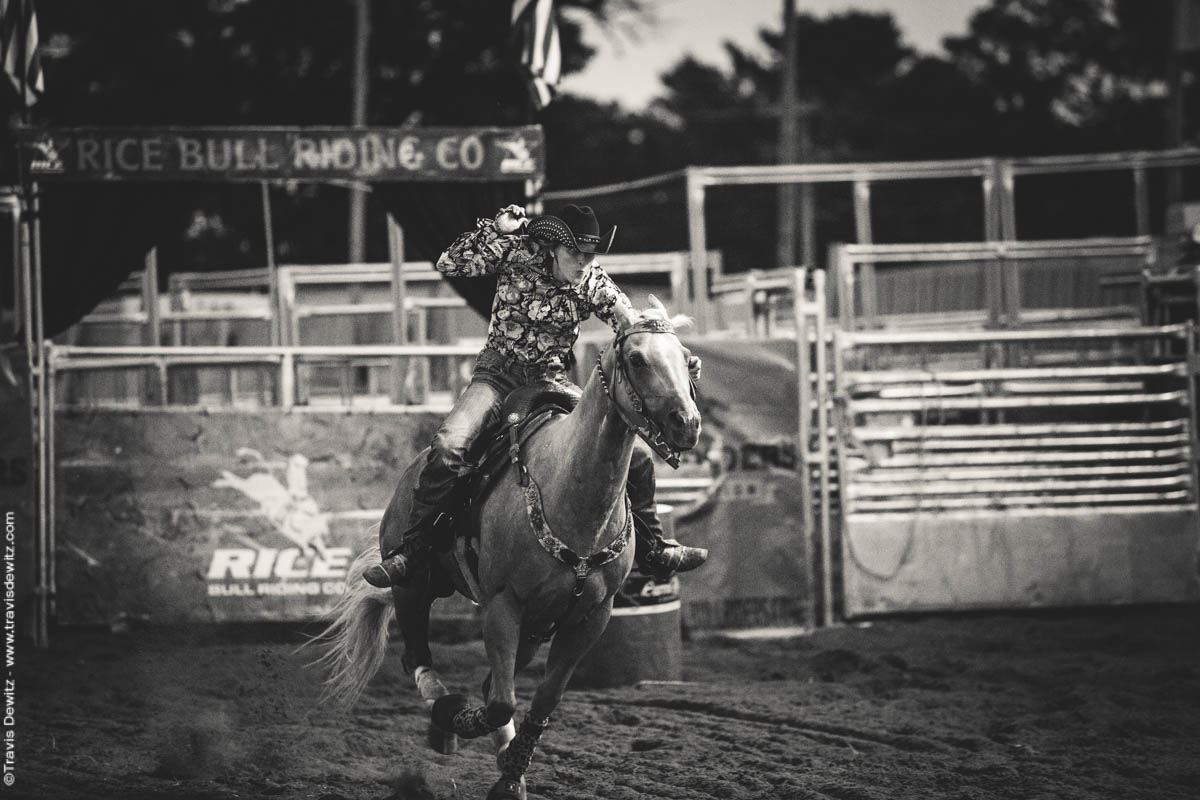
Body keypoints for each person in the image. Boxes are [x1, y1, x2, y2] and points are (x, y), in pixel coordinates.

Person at [363, 203, 707, 588]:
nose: (581, 262)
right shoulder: (516, 252)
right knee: (449, 446)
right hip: (498, 376)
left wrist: (670, 357)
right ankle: (413, 550)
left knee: (640, 457)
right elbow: (449, 263)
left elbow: (631, 327)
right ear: (554, 247)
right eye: (574, 252)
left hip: (552, 382)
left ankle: (652, 547)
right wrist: (496, 231)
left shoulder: (594, 284)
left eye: (588, 254)